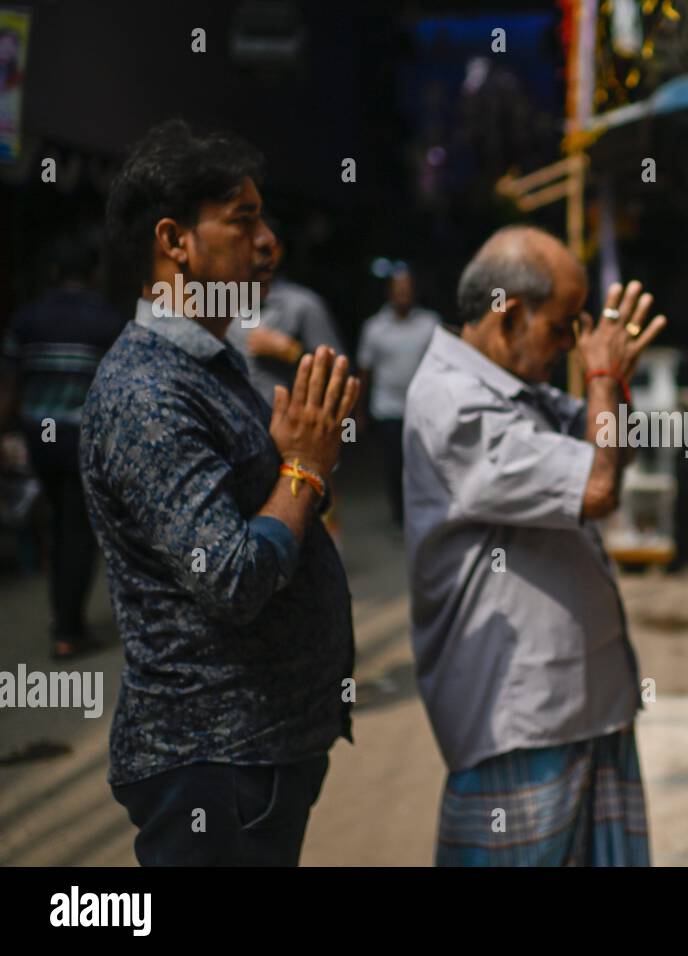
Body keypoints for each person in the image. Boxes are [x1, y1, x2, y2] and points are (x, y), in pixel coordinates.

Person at [81, 119, 360, 866]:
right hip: (213, 765)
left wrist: (296, 465)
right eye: (244, 220)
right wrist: (304, 469)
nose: (269, 241)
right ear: (175, 242)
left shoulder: (216, 364)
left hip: (261, 753)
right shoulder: (147, 391)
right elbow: (230, 576)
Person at [403, 225, 667, 865]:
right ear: (509, 315)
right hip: (521, 720)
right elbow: (599, 486)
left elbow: (611, 449)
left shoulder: (512, 387)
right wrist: (601, 373)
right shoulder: (456, 404)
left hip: (582, 707)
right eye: (562, 329)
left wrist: (615, 381)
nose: (571, 348)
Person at [0, 232, 125, 659]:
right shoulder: (108, 321)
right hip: (83, 441)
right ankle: (68, 629)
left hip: (40, 439)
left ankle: (64, 619)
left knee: (57, 526)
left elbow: (9, 386)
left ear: (54, 273)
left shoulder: (27, 319)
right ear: (94, 273)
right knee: (78, 530)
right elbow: (121, 390)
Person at [225, 228, 345, 408]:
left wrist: (293, 353)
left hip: (286, 424)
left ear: (276, 252)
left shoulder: (303, 305)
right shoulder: (222, 305)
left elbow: (341, 375)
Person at [357, 268, 439, 525]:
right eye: (398, 288)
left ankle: (424, 513)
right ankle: (400, 516)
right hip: (387, 407)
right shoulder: (374, 328)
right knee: (395, 463)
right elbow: (365, 370)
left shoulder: (430, 323)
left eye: (407, 288)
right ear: (390, 292)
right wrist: (359, 410)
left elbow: (442, 365)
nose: (403, 293)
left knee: (423, 464)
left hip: (422, 408)